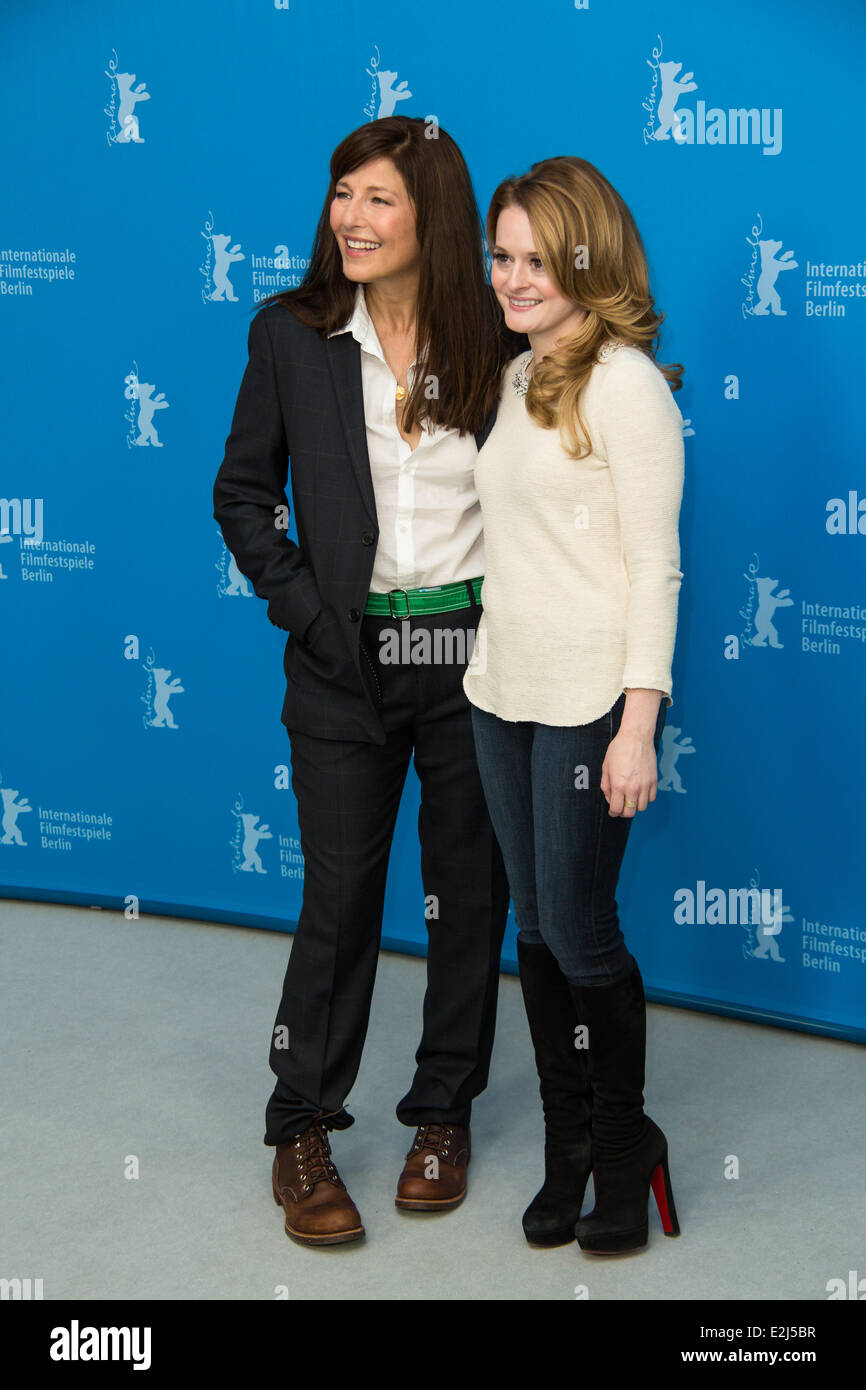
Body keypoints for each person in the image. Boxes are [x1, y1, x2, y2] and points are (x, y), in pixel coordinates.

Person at [213, 116, 527, 1246]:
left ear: (430, 213)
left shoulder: (496, 333)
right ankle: (301, 1126)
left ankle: (442, 1114)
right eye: (343, 192)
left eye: (379, 199)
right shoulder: (289, 336)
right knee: (338, 904)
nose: (350, 216)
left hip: (468, 659)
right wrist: (305, 610)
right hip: (345, 666)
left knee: (464, 898)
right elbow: (242, 494)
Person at [463, 156, 685, 1254]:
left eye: (534, 260)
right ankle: (564, 1147)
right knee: (538, 931)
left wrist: (637, 721)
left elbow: (655, 565)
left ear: (585, 260)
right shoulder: (515, 376)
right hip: (499, 691)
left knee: (584, 934)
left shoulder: (625, 385)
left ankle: (619, 1147)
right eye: (499, 256)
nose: (509, 278)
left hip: (590, 698)